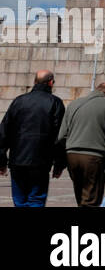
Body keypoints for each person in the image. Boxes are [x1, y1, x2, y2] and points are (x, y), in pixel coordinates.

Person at [0, 69, 65, 207]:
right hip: (41, 161)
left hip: (18, 159)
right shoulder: (55, 103)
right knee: (36, 199)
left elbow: (4, 131)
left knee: (20, 200)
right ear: (51, 83)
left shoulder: (19, 101)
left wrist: (1, 161)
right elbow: (60, 136)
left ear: (34, 82)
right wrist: (59, 164)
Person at [58, 82, 105, 207]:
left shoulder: (74, 104)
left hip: (72, 156)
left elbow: (62, 136)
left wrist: (60, 164)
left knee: (81, 198)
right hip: (94, 157)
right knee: (91, 201)